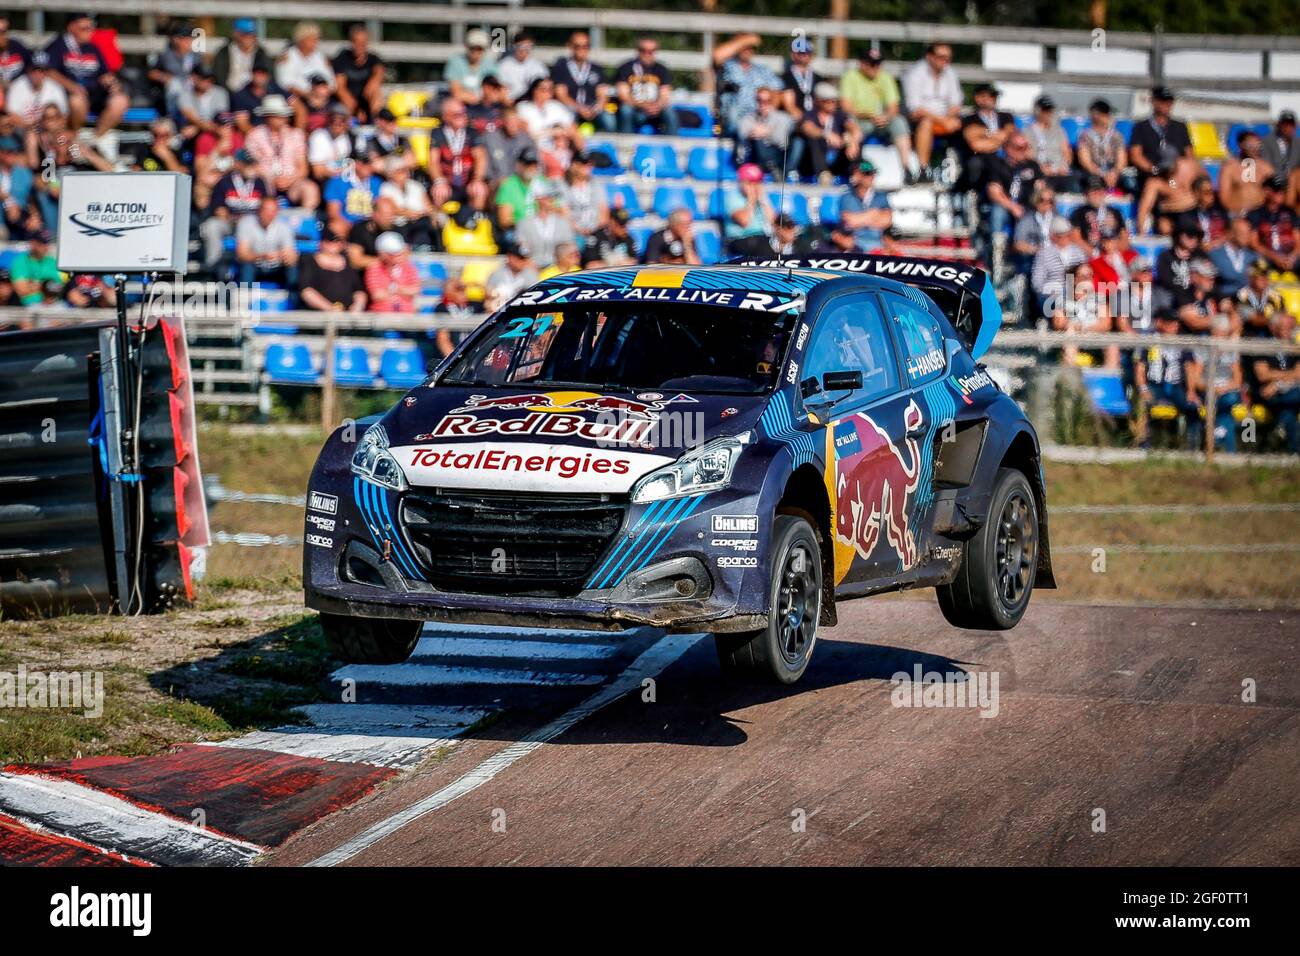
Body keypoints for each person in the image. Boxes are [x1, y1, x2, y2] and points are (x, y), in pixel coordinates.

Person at [837, 48, 916, 183]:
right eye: (872, 64)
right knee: (851, 128)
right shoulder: (850, 76)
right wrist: (867, 115)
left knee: (899, 122)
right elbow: (846, 108)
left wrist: (885, 117)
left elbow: (893, 107)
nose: (876, 68)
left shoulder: (885, 77)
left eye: (878, 64)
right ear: (862, 64)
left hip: (880, 121)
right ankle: (854, 172)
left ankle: (907, 169)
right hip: (858, 121)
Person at [44, 13, 128, 139]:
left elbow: (104, 73)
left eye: (91, 28)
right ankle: (74, 138)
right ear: (71, 27)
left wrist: (111, 83)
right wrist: (71, 86)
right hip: (70, 95)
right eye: (85, 28)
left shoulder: (92, 48)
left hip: (95, 92)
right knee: (77, 100)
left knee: (121, 100)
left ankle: (95, 139)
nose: (90, 32)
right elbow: (48, 71)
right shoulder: (57, 46)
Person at [201, 148, 271, 273]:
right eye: (247, 164)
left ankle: (263, 266)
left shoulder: (260, 182)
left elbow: (267, 207)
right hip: (231, 223)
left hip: (253, 225)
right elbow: (219, 211)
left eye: (252, 163)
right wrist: (235, 219)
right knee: (212, 226)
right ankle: (212, 267)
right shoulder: (224, 182)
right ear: (237, 164)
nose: (251, 167)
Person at [244, 94, 319, 209]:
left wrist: (289, 180)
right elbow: (255, 165)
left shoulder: (295, 135)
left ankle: (306, 221)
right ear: (268, 116)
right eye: (279, 115)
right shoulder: (254, 136)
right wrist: (271, 179)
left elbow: (303, 169)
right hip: (265, 183)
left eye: (284, 115)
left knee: (310, 189)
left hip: (292, 183)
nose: (284, 118)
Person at [901, 43, 962, 175]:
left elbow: (956, 103)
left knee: (968, 124)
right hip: (919, 120)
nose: (945, 60)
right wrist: (943, 121)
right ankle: (923, 169)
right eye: (941, 56)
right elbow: (915, 109)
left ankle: (964, 171)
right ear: (929, 57)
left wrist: (949, 118)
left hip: (945, 118)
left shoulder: (950, 72)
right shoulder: (914, 74)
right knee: (926, 124)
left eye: (948, 57)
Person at [1128, 86, 1194, 197]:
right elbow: (1136, 155)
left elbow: (1190, 156)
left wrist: (1179, 173)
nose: (1167, 104)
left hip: (1175, 176)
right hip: (1153, 174)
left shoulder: (1180, 127)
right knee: (1154, 186)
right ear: (1153, 102)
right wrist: (1154, 169)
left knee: (1181, 186)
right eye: (1163, 101)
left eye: (1169, 101)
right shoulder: (1141, 127)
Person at [713, 33, 781, 138]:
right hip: (735, 117)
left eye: (750, 47)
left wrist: (769, 110)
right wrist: (746, 40)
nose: (747, 50)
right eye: (743, 47)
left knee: (785, 122)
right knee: (735, 113)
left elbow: (777, 91)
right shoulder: (728, 66)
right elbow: (717, 55)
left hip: (759, 116)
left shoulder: (762, 70)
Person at [1253, 310, 1300, 453]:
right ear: (1274, 327)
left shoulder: (1294, 347)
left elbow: (1299, 373)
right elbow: (1263, 375)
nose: (1288, 331)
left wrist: (1277, 383)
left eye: (1290, 327)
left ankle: (1290, 447)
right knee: (1292, 403)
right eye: (1284, 327)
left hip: (1284, 390)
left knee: (1290, 407)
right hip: (1269, 395)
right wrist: (1288, 377)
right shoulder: (1264, 346)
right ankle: (1293, 451)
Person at [795, 82, 861, 184]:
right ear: (819, 101)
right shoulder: (810, 115)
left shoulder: (840, 115)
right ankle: (823, 174)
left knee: (850, 138)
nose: (832, 104)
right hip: (813, 162)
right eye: (828, 101)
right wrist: (826, 134)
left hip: (836, 158)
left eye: (834, 101)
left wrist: (853, 141)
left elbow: (854, 128)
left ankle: (855, 174)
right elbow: (808, 128)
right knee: (814, 138)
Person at [957, 83, 1016, 192]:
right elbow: (976, 145)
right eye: (990, 95)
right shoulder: (968, 119)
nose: (993, 99)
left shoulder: (1006, 116)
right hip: (981, 162)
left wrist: (984, 134)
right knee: (981, 164)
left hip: (1002, 160)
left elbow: (1009, 135)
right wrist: (998, 137)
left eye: (994, 96)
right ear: (978, 98)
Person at [429, 98, 486, 206]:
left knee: (479, 189)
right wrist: (439, 181)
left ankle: (477, 217)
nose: (462, 117)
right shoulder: (437, 133)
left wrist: (477, 179)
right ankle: (439, 219)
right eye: (457, 115)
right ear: (446, 116)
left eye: (464, 114)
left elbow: (480, 158)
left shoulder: (471, 132)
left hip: (467, 180)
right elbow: (433, 162)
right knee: (438, 191)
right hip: (447, 180)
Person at [551, 31, 612, 133]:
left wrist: (595, 109)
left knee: (608, 119)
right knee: (568, 115)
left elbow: (603, 95)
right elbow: (561, 95)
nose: (581, 49)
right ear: (570, 46)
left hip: (592, 107)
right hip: (571, 107)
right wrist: (579, 108)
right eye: (577, 46)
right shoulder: (560, 68)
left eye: (585, 46)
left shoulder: (597, 68)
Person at [614, 37, 676, 135]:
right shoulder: (626, 68)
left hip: (655, 110)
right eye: (643, 50)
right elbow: (623, 96)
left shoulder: (662, 69)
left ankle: (673, 145)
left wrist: (657, 105)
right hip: (635, 109)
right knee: (625, 109)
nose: (647, 54)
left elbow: (665, 95)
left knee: (669, 111)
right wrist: (642, 105)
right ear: (637, 51)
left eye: (651, 51)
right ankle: (625, 145)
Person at [298, 227, 366, 312]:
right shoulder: (308, 260)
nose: (335, 244)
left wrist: (357, 306)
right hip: (319, 315)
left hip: (347, 315)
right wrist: (330, 308)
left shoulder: (348, 261)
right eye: (330, 241)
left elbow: (359, 291)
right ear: (322, 243)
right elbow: (306, 291)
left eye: (338, 241)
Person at [1031, 216, 1086, 320]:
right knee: (1054, 303)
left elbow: (1084, 276)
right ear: (1053, 236)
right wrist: (1055, 291)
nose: (1065, 239)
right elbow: (1037, 283)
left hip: (1075, 293)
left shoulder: (1078, 252)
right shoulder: (1043, 254)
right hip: (1052, 295)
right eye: (1061, 236)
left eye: (1068, 235)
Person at [235, 195, 298, 286]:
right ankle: (245, 297)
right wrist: (263, 256)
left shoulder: (284, 227)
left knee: (293, 267)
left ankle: (293, 296)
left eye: (273, 211)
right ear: (259, 211)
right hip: (255, 265)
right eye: (266, 210)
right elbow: (242, 254)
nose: (269, 214)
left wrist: (285, 256)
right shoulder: (246, 223)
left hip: (277, 266)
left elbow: (291, 254)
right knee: (247, 267)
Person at [740, 85, 797, 181]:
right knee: (757, 141)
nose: (763, 104)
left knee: (798, 142)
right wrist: (766, 132)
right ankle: (772, 169)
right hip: (757, 156)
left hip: (777, 154)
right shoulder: (749, 117)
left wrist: (767, 132)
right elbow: (742, 133)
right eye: (759, 100)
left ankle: (782, 171)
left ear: (772, 101)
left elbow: (781, 141)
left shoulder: (782, 118)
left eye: (767, 100)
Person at [515, 181, 576, 269]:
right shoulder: (524, 223)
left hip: (558, 269)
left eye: (553, 197)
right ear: (538, 199)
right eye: (548, 197)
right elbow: (522, 248)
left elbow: (568, 247)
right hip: (532, 268)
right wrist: (528, 261)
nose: (552, 200)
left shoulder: (563, 223)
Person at [332, 23, 385, 122]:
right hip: (347, 103)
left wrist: (374, 81)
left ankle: (375, 124)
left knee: (376, 91)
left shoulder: (373, 59)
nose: (360, 46)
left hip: (366, 100)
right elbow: (340, 88)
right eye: (357, 42)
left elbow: (379, 71)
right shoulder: (342, 58)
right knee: (343, 99)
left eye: (363, 42)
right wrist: (356, 110)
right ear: (351, 42)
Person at [1076, 98, 1130, 195]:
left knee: (1130, 182)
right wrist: (1102, 174)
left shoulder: (1116, 136)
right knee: (1093, 181)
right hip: (1094, 172)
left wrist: (1115, 173)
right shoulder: (1085, 136)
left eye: (1105, 114)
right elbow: (1086, 162)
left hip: (1113, 171)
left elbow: (1121, 160)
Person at [1025, 95, 1077, 193]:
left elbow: (1066, 151)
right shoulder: (1028, 132)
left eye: (1050, 110)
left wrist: (1064, 165)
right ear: (1038, 111)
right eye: (1045, 110)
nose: (1048, 113)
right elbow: (1028, 153)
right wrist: (1040, 167)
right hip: (1040, 169)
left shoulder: (1059, 131)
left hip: (1059, 169)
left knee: (1073, 181)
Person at [838, 159, 892, 251]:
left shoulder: (881, 196)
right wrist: (874, 214)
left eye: (873, 173)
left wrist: (859, 219)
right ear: (856, 175)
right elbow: (849, 222)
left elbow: (887, 221)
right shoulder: (847, 197)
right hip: (855, 244)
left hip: (878, 244)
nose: (871, 176)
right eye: (867, 173)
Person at [275, 21, 330, 112]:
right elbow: (285, 83)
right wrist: (308, 96)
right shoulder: (288, 56)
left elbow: (330, 81)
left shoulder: (320, 57)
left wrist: (321, 95)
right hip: (296, 98)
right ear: (301, 40)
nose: (316, 42)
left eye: (316, 39)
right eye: (312, 39)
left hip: (322, 98)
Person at [5, 51, 69, 128]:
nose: (37, 74)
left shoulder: (55, 88)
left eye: (41, 70)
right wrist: (32, 127)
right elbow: (11, 115)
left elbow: (63, 117)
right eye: (34, 70)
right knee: (31, 135)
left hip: (48, 130)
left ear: (46, 72)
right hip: (22, 129)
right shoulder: (17, 86)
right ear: (28, 70)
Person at [1249, 174, 1298, 271]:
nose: (1281, 193)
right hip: (1268, 257)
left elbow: (1298, 241)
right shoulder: (1255, 214)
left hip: (1291, 257)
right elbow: (1254, 243)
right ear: (1266, 191)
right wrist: (1274, 257)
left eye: (1282, 190)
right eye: (1277, 190)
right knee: (1256, 260)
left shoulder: (1290, 213)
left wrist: (1292, 257)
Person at [1219, 129, 1273, 216]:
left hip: (1260, 215)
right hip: (1237, 214)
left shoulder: (1266, 168)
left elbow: (1274, 193)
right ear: (1241, 145)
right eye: (1250, 145)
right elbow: (1224, 197)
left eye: (1257, 145)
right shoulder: (1229, 168)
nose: (1254, 148)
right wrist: (1236, 212)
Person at [211, 18, 272, 94]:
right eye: (244, 34)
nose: (248, 37)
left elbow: (269, 75)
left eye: (251, 34)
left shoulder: (261, 54)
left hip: (254, 94)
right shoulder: (224, 53)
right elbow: (218, 76)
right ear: (236, 34)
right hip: (228, 93)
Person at [1231, 258, 1288, 337]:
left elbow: (1284, 317)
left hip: (1271, 335)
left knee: (1285, 324)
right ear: (1251, 277)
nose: (1263, 278)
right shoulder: (1241, 295)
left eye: (1265, 275)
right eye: (1259, 275)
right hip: (1247, 336)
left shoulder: (1276, 296)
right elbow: (1254, 320)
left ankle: (1283, 349)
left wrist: (1280, 321)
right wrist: (1273, 319)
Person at [444, 29, 497, 114]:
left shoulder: (489, 64)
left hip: (484, 105)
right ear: (467, 47)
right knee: (453, 105)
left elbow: (495, 90)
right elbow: (456, 92)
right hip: (462, 104)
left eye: (479, 49)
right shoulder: (456, 62)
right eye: (473, 48)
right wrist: (480, 99)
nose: (475, 52)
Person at [365, 230, 419, 313]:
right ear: (383, 254)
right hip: (382, 315)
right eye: (392, 253)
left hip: (406, 315)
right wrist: (402, 292)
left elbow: (415, 290)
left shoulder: (408, 266)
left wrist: (393, 289)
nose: (397, 255)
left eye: (398, 252)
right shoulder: (374, 268)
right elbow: (377, 295)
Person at [723, 163, 775, 248]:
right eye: (750, 182)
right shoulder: (732, 197)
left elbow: (773, 222)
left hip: (762, 238)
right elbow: (744, 221)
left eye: (757, 182)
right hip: (740, 239)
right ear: (742, 182)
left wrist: (763, 200)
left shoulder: (762, 197)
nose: (754, 186)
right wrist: (751, 200)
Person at [1070, 175, 1125, 254]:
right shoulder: (1078, 213)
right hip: (1091, 254)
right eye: (1093, 191)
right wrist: (1094, 253)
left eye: (1100, 190)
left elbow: (1125, 238)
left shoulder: (1116, 212)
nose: (1097, 194)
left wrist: (1115, 250)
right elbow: (1075, 238)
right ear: (1086, 193)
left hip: (1115, 253)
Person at [495, 147, 543, 231]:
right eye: (527, 164)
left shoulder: (543, 182)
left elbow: (559, 209)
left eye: (534, 164)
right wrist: (529, 227)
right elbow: (504, 221)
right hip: (518, 231)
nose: (531, 167)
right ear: (518, 165)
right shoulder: (508, 186)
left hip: (543, 230)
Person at [1210, 216, 1259, 298]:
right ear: (1231, 234)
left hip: (1247, 301)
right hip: (1223, 299)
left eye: (1248, 233)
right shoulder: (1215, 255)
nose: (1246, 237)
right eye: (1242, 234)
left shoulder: (1253, 257)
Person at [10, 230, 60, 306]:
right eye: (42, 243)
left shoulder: (51, 262)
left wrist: (34, 285)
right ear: (32, 243)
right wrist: (46, 286)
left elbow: (58, 288)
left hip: (53, 304)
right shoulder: (21, 261)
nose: (46, 247)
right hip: (29, 305)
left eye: (47, 243)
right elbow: (21, 290)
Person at [485, 241, 539, 312]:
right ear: (510, 257)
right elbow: (488, 298)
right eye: (520, 258)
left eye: (525, 258)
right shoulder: (497, 274)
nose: (523, 261)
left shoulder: (530, 275)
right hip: (501, 313)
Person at [308, 103, 355, 181]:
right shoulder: (318, 136)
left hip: (344, 179)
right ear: (328, 119)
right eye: (334, 119)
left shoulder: (351, 137)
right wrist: (342, 173)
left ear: (347, 122)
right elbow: (318, 172)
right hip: (325, 181)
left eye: (342, 120)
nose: (337, 123)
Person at [495, 33, 547, 103]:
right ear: (514, 47)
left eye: (527, 47)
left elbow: (544, 88)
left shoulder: (538, 67)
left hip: (533, 104)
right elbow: (501, 90)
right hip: (512, 103)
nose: (523, 50)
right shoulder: (504, 66)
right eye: (520, 46)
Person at [781, 36, 822, 120]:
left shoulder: (819, 78)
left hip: (817, 119)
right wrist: (805, 120)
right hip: (794, 119)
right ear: (793, 55)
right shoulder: (785, 78)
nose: (805, 55)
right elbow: (789, 106)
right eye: (801, 52)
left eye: (808, 52)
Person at [1260, 110, 1296, 176]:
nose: (1288, 127)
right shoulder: (1267, 141)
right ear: (1278, 125)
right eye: (1284, 124)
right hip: (1274, 180)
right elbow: (1266, 164)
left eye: (1291, 124)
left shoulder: (1298, 143)